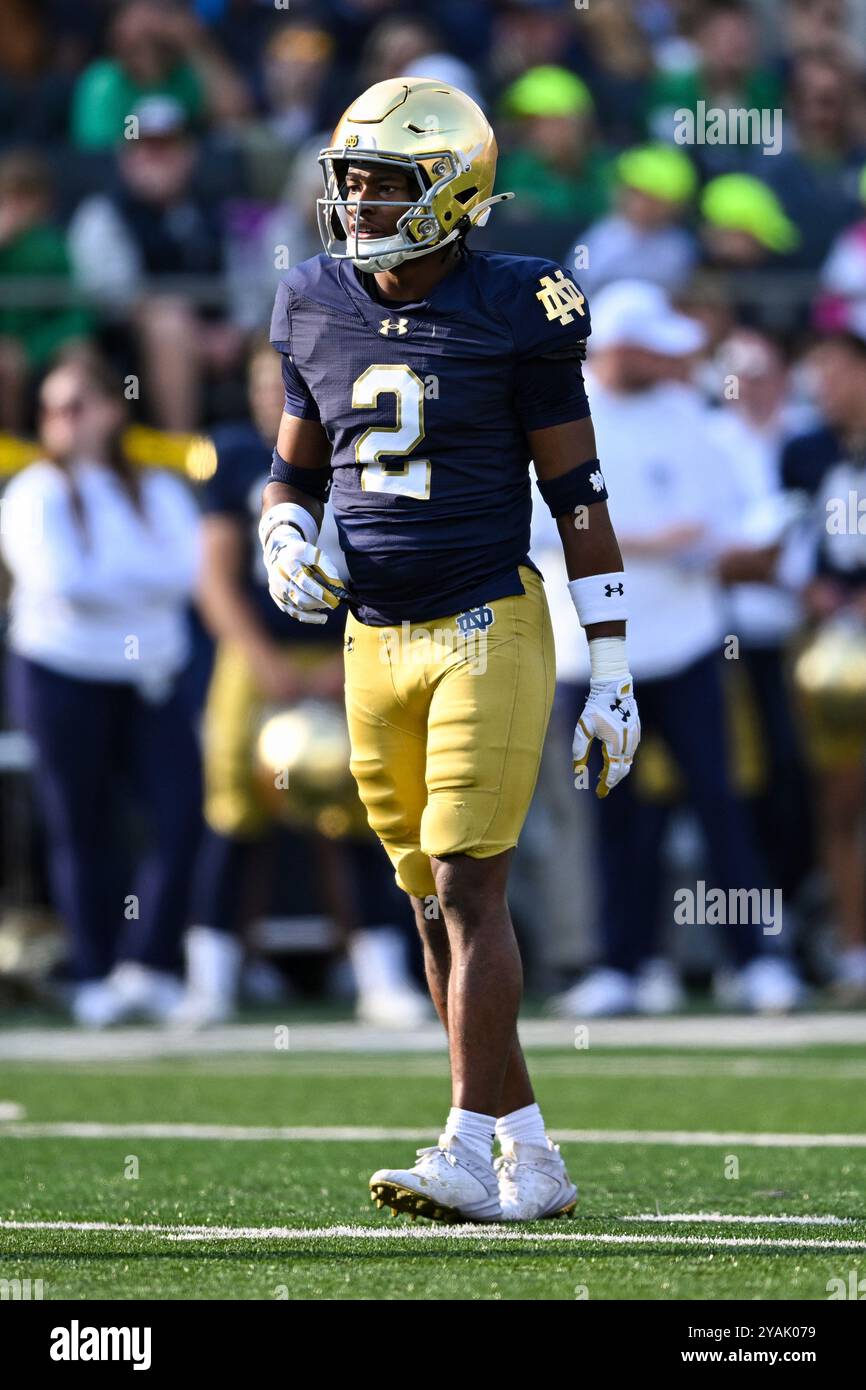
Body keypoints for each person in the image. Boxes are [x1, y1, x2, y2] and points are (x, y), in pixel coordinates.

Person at [257, 78, 641, 1224]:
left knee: (472, 884)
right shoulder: (313, 301)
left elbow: (576, 497)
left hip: (486, 620)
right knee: (428, 902)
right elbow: (292, 470)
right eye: (350, 181)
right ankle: (528, 1151)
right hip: (369, 639)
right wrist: (281, 533)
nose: (358, 204)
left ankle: (465, 1147)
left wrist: (610, 665)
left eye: (384, 183)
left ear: (454, 190)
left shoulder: (518, 303)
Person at [535, 281, 803, 1018]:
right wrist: (656, 544)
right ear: (617, 348)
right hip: (594, 656)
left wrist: (704, 545)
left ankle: (758, 961)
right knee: (614, 815)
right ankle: (622, 965)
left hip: (686, 643)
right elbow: (542, 531)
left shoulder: (688, 414)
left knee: (721, 804)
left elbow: (721, 524)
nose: (668, 359)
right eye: (652, 346)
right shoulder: (554, 411)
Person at [177, 340, 430, 1028]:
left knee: (363, 809)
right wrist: (266, 663)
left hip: (345, 653)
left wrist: (354, 659)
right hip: (256, 659)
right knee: (234, 810)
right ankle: (212, 979)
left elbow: (389, 562)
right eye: (266, 384)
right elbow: (215, 580)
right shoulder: (232, 458)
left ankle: (382, 976)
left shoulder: (362, 452)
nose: (276, 398)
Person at [1, 356, 203, 1026]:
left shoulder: (158, 488)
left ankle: (148, 964)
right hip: (61, 672)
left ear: (114, 411)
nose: (63, 421)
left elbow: (182, 573)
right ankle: (93, 971)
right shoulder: (31, 492)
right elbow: (62, 581)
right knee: (80, 826)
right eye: (52, 409)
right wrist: (133, 586)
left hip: (153, 674)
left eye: (77, 406)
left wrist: (120, 584)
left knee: (179, 817)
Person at [781, 329, 866, 1001]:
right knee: (838, 802)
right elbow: (785, 539)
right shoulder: (805, 452)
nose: (823, 387)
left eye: (835, 372)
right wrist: (808, 587)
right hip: (835, 649)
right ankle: (853, 946)